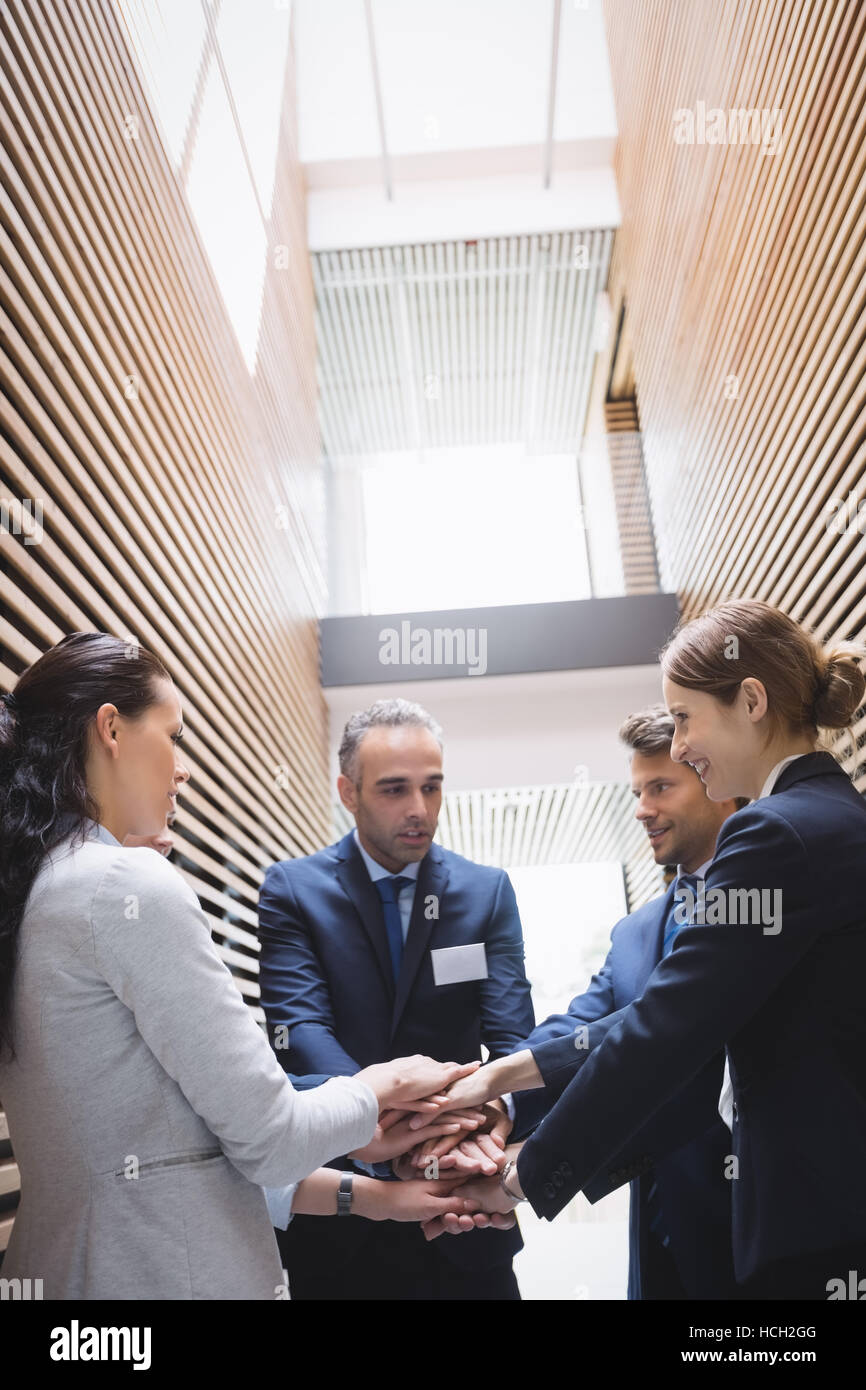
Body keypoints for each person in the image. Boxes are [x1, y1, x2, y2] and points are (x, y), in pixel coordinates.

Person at [0, 633, 484, 1299]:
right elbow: (273, 1140)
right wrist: (381, 1084)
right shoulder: (124, 885)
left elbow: (175, 1146)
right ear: (111, 728)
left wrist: (374, 1197)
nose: (183, 768)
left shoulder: (36, 886)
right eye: (173, 735)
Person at [434, 600, 866, 1299]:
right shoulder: (830, 818)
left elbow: (667, 1028)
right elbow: (676, 1015)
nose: (683, 742)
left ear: (750, 701)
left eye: (687, 717)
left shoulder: (775, 835)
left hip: (824, 1232)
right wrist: (497, 1078)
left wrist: (522, 1177)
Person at [413, 704, 744, 1298]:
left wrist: (508, 1134)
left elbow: (669, 1031)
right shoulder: (635, 932)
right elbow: (582, 1028)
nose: (642, 809)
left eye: (661, 787)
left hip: (753, 1217)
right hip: (660, 1226)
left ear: (716, 778)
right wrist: (501, 1108)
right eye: (637, 790)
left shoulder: (761, 906)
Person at [258, 697, 535, 1299]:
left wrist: (490, 1119)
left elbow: (514, 1040)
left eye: (432, 788)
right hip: (340, 1225)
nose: (419, 810)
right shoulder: (294, 891)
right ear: (347, 791)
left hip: (463, 1206)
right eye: (393, 790)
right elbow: (301, 1030)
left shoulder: (486, 894)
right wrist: (384, 1129)